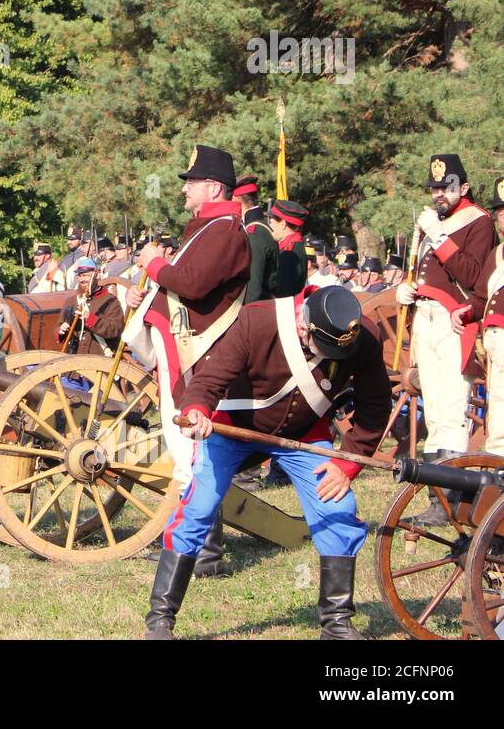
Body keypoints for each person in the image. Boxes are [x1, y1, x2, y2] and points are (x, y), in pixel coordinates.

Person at [144, 287, 391, 640]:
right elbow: (210, 379)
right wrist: (197, 411)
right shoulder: (257, 320)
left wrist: (347, 465)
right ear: (303, 326)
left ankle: (336, 625)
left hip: (302, 434)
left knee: (338, 508)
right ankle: (160, 621)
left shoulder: (362, 336)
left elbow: (376, 405)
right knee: (198, 509)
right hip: (232, 427)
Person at [122, 144, 250, 578]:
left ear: (213, 187)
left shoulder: (225, 230)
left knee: (190, 447)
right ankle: (190, 542)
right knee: (184, 448)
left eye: (191, 182)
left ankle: (201, 551)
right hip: (181, 347)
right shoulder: (207, 228)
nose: (184, 190)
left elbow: (192, 284)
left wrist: (156, 264)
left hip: (199, 352)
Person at [396, 154, 496, 524]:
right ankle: (437, 499)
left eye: (447, 187)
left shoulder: (479, 222)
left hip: (455, 324)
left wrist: (438, 236)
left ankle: (451, 501)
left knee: (452, 413)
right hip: (426, 318)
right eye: (435, 188)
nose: (439, 194)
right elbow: (425, 273)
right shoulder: (435, 221)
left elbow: (473, 277)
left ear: (463, 187)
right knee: (434, 413)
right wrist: (407, 290)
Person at [450, 176, 504, 457]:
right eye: (501, 211)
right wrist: (467, 311)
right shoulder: (497, 254)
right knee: (499, 408)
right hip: (495, 344)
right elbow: (483, 297)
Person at [57, 257, 124, 354]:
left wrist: (90, 318)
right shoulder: (71, 301)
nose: (81, 279)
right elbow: (59, 326)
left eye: (85, 275)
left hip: (99, 356)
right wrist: (62, 330)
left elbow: (114, 329)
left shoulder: (110, 301)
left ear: (98, 275)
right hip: (75, 357)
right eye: (79, 276)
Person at [235, 176, 278, 303]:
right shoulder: (259, 226)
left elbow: (253, 291)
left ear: (236, 199)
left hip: (255, 309)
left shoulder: (253, 232)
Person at [266, 199, 308, 297]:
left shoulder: (289, 252)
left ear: (283, 224)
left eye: (271, 221)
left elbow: (284, 292)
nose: (270, 224)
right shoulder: (293, 247)